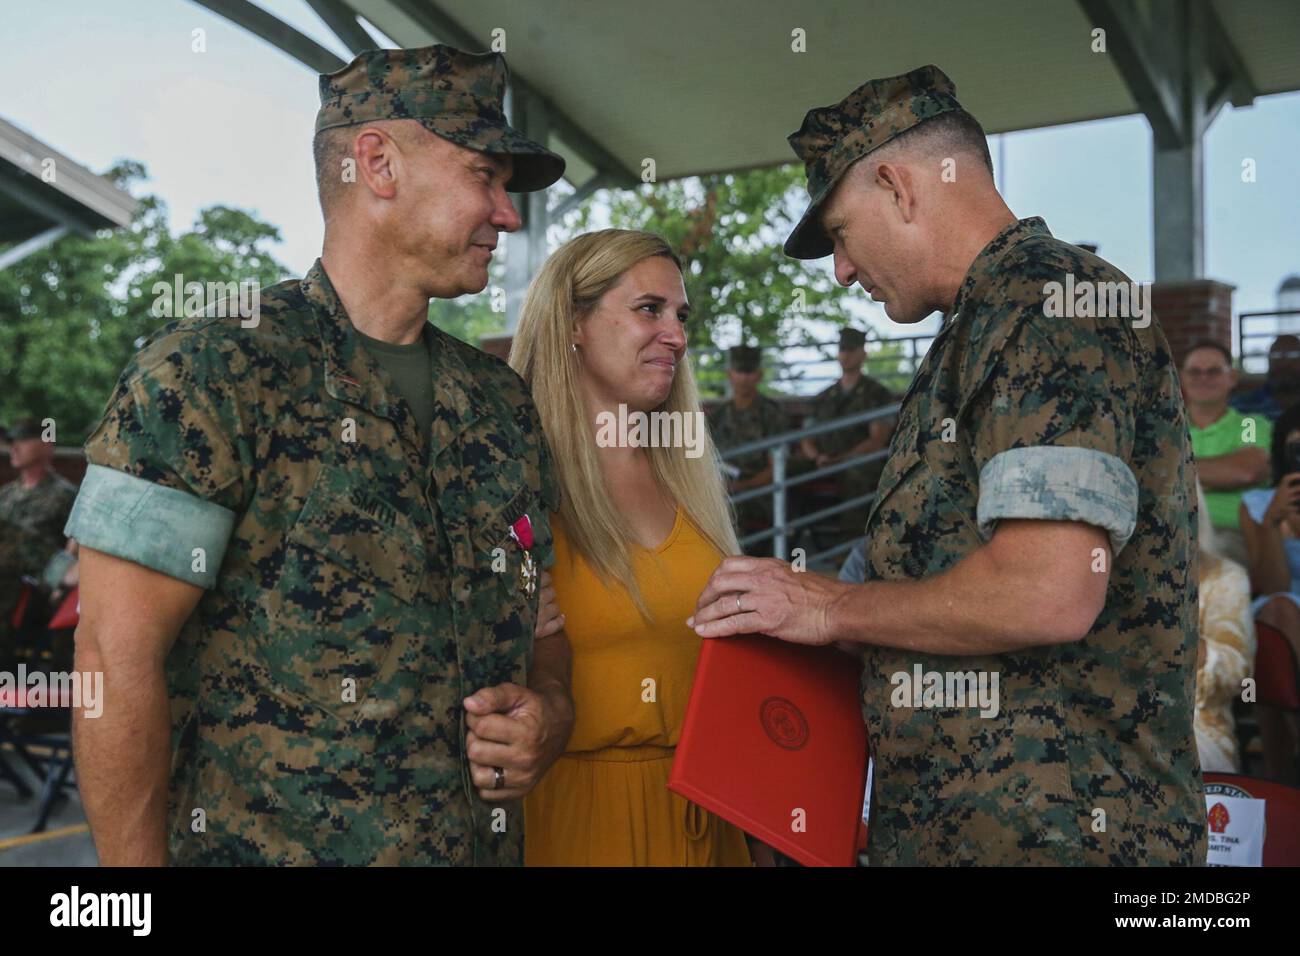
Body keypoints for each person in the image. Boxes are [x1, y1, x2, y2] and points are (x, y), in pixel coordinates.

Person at [63, 44, 574, 866]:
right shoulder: (209, 370)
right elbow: (113, 661)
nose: (506, 214)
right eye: (484, 175)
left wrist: (550, 708)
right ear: (377, 164)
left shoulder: (499, 403)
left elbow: (541, 620)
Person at [689, 65, 1207, 865]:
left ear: (898, 188)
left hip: (1064, 837)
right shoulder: (982, 325)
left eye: (839, 235)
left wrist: (832, 610)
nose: (844, 272)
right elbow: (942, 577)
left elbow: (1047, 592)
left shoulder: (1049, 305)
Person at [510, 229, 751, 866]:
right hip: (578, 825)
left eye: (681, 316)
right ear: (572, 323)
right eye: (650, 309)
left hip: (710, 813)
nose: (675, 334)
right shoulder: (514, 486)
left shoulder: (691, 479)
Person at [1239, 401, 1300, 781]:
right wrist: (1273, 521)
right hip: (1283, 606)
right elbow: (1274, 583)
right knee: (1279, 607)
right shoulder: (1257, 504)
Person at [798, 327, 895, 540]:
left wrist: (841, 459)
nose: (846, 355)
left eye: (851, 350)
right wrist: (817, 457)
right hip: (822, 460)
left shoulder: (877, 394)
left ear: (863, 354)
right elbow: (807, 437)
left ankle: (850, 544)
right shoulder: (825, 396)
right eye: (842, 349)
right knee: (787, 470)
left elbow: (877, 440)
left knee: (857, 475)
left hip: (856, 461)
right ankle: (790, 542)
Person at [1183, 340, 1273, 567]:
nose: (1203, 378)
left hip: (1230, 535)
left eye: (1213, 371)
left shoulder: (1249, 424)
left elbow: (1246, 470)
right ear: (1181, 378)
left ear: (1232, 377)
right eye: (1194, 372)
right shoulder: (1164, 428)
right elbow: (1146, 475)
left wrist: (1176, 475)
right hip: (1169, 531)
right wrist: (1217, 476)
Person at [0, 418, 77, 657]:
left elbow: (76, 544)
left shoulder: (64, 495)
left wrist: (62, 580)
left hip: (42, 587)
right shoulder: (6, 495)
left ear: (46, 444)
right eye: (11, 442)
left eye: (22, 440)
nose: (14, 448)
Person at [1192, 483, 1254, 774]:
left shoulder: (1225, 577)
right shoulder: (1101, 575)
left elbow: (1238, 675)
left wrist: (1164, 630)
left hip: (1197, 728)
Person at [707, 345, 788, 553]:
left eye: (749, 372)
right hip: (723, 486)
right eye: (739, 372)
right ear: (729, 374)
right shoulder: (718, 416)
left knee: (730, 507)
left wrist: (744, 486)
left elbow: (776, 469)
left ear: (758, 375)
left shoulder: (771, 414)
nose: (744, 378)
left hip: (760, 492)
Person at [1232, 335, 1300, 422]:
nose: (1284, 362)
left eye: (1293, 355)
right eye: (1276, 355)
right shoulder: (1240, 405)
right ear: (1268, 360)